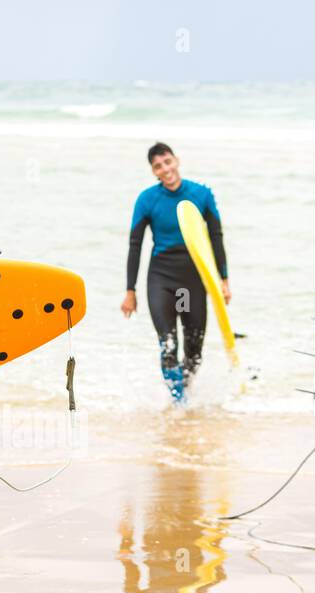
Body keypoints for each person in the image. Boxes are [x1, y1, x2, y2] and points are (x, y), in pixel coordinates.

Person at [120, 143, 230, 403]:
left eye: (167, 161)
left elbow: (215, 237)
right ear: (153, 172)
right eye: (158, 166)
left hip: (191, 281)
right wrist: (130, 290)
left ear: (176, 160)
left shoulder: (201, 194)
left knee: (194, 349)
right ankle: (178, 401)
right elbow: (135, 245)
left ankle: (184, 390)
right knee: (168, 343)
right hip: (162, 279)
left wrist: (223, 280)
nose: (165, 169)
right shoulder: (147, 199)